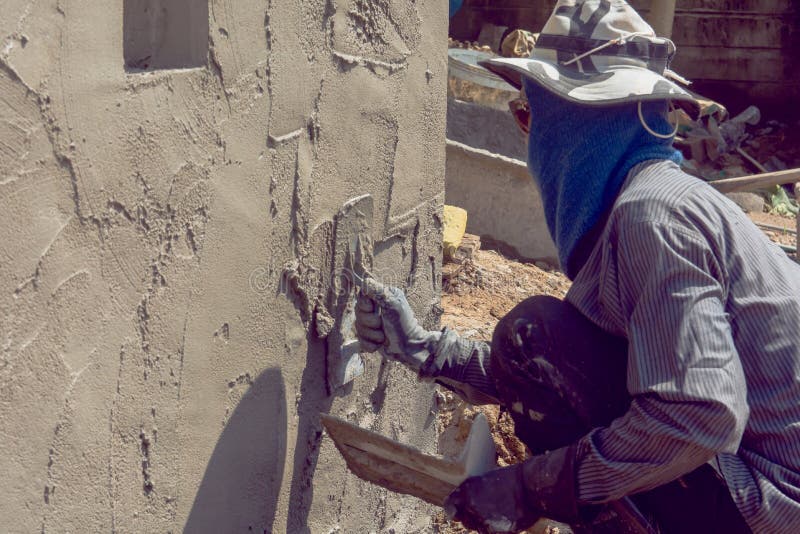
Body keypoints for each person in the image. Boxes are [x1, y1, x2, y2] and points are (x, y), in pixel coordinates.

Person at [354, 1, 800, 533]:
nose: (531, 136)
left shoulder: (653, 217)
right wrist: (430, 350)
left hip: (770, 504)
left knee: (533, 334)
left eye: (530, 115)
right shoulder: (648, 208)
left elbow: (699, 415)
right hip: (756, 487)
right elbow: (578, 377)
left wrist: (536, 486)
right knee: (541, 345)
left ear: (584, 121)